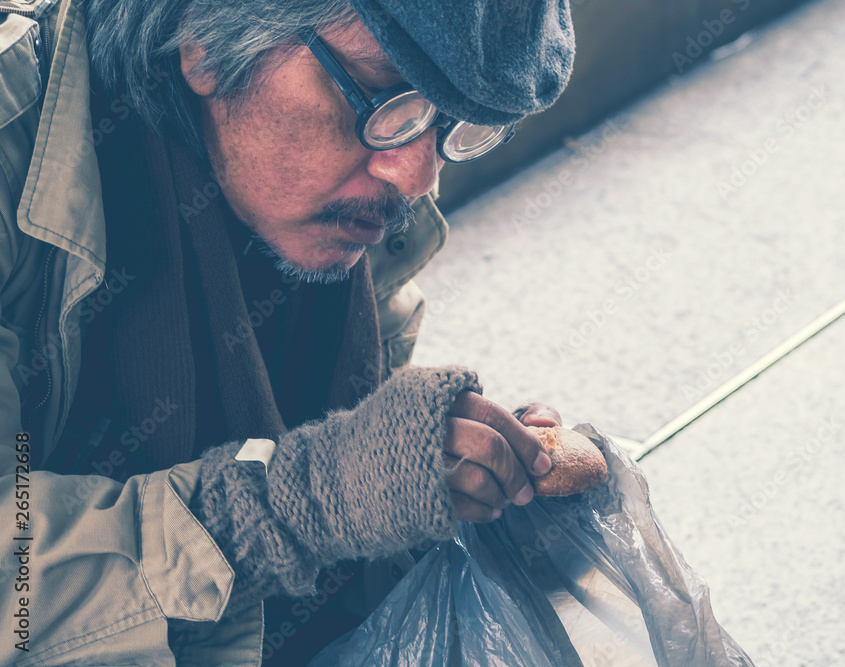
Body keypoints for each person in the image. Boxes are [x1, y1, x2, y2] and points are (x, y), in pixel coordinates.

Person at [0, 0, 575, 663]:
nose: (417, 176)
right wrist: (299, 502)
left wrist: (462, 492)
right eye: (383, 93)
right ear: (205, 43)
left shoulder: (328, 196)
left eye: (449, 119)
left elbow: (339, 558)